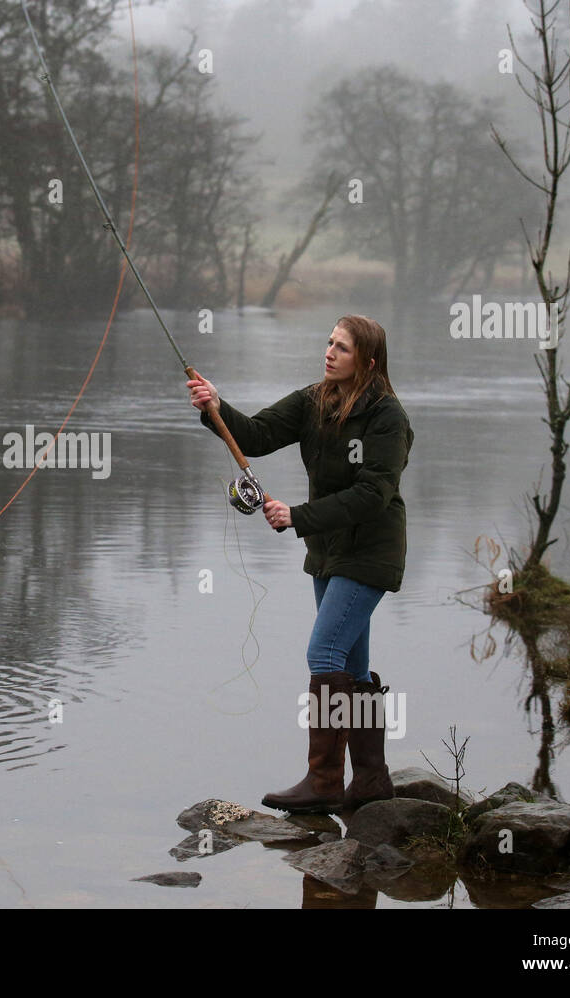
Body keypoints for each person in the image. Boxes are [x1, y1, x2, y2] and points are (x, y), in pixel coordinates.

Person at [188, 314, 414, 814]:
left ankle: (324, 781)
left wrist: (298, 515)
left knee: (324, 655)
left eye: (343, 348)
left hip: (370, 551)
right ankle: (372, 781)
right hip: (329, 550)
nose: (329, 352)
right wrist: (215, 406)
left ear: (369, 362)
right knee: (351, 667)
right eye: (329, 341)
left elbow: (374, 493)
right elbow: (255, 435)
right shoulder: (314, 400)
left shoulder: (387, 418)